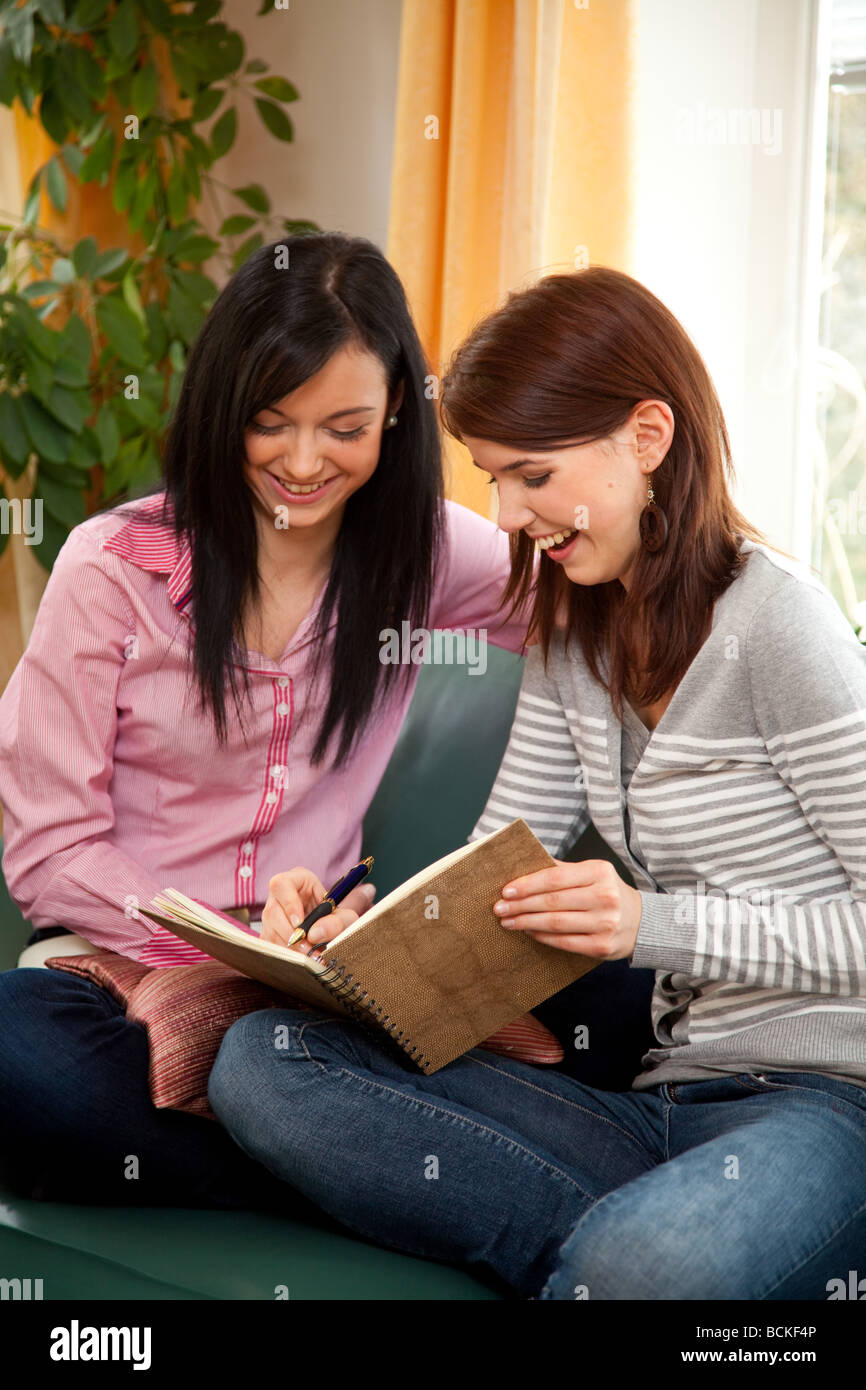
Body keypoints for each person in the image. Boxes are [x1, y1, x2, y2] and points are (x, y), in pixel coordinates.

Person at [207, 265, 866, 1300]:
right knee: (265, 1058)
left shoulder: (780, 627)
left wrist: (647, 924)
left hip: (827, 1104)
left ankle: (665, 1256)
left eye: (531, 474)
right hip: (661, 1106)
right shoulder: (571, 636)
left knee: (643, 1263)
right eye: (491, 478)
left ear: (646, 437)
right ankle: (665, 1259)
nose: (509, 515)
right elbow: (494, 855)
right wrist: (372, 945)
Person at [0, 232, 538, 1213]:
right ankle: (331, 1171)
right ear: (222, 407)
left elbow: (582, 606)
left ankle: (314, 1148)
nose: (302, 462)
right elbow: (48, 849)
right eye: (270, 421)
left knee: (589, 1001)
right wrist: (212, 948)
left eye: (344, 427)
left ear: (392, 421)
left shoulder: (421, 551)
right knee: (19, 1049)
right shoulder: (109, 570)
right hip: (129, 969)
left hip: (321, 986)